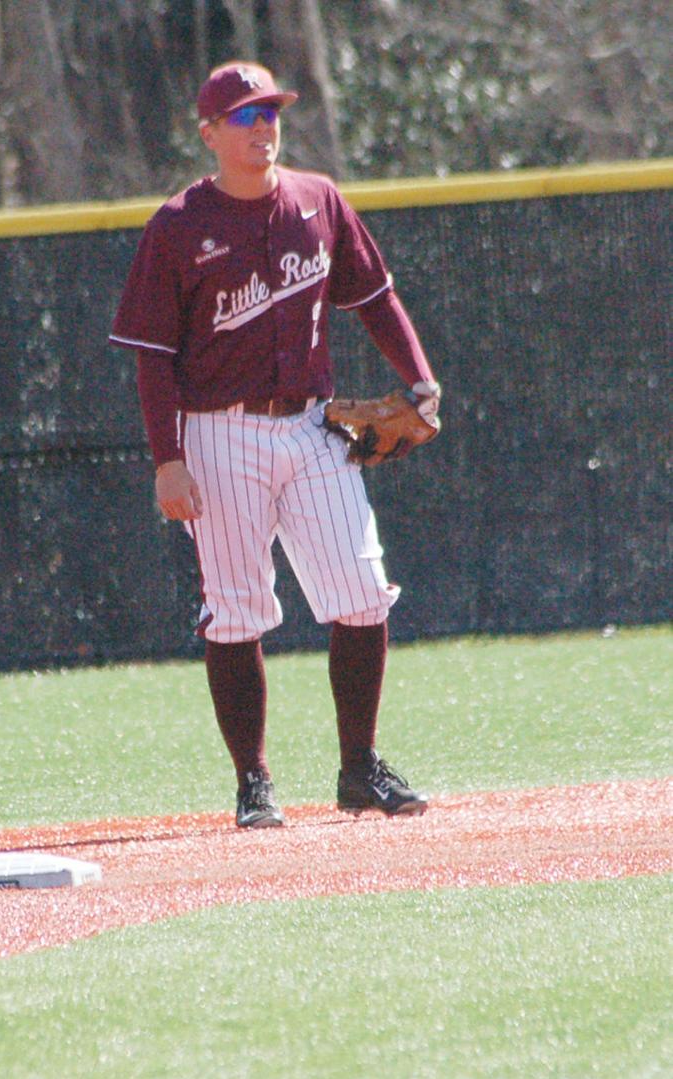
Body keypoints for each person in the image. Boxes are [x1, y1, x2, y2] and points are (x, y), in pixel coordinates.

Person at [109, 62, 439, 829]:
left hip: (313, 424)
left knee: (362, 593)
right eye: (245, 115)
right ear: (209, 133)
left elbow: (374, 296)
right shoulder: (179, 224)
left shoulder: (317, 201)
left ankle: (359, 769)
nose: (263, 127)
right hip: (217, 432)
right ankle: (254, 780)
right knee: (235, 610)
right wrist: (168, 458)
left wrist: (420, 380)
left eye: (271, 113)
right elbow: (152, 356)